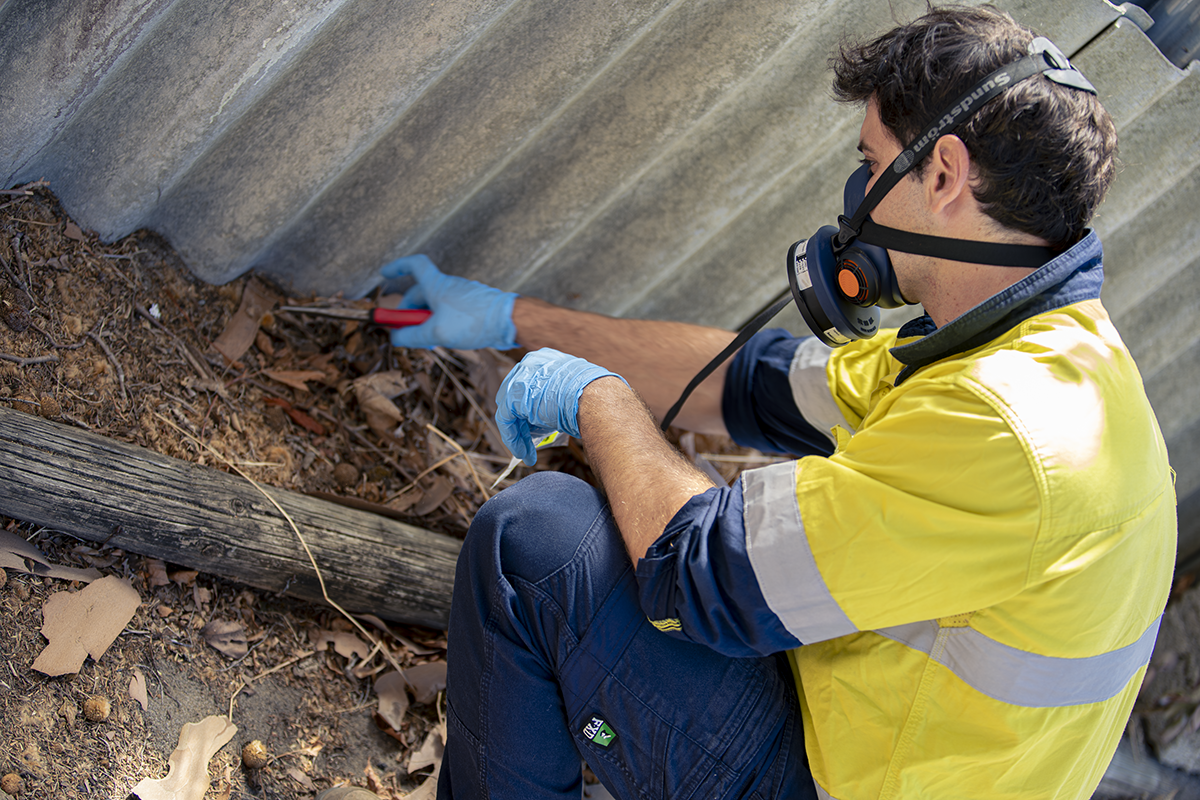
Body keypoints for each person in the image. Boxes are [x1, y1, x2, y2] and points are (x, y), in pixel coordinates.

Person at [322, 5, 1177, 799]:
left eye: (871, 166)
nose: (856, 203)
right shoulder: (1037, 358)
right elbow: (750, 383)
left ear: (944, 173)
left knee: (537, 545)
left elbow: (696, 577)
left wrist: (599, 402)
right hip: (864, 747)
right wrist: (507, 315)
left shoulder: (1006, 429)